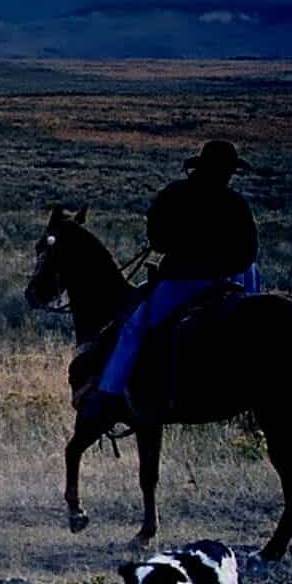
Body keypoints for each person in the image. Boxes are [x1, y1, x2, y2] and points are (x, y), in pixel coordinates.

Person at [87, 140, 263, 421]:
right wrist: (223, 266)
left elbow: (156, 239)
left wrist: (184, 251)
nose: (227, 176)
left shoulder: (175, 195)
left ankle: (107, 395)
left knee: (133, 329)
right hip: (226, 282)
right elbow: (248, 252)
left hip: (181, 282)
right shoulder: (235, 203)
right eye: (227, 171)